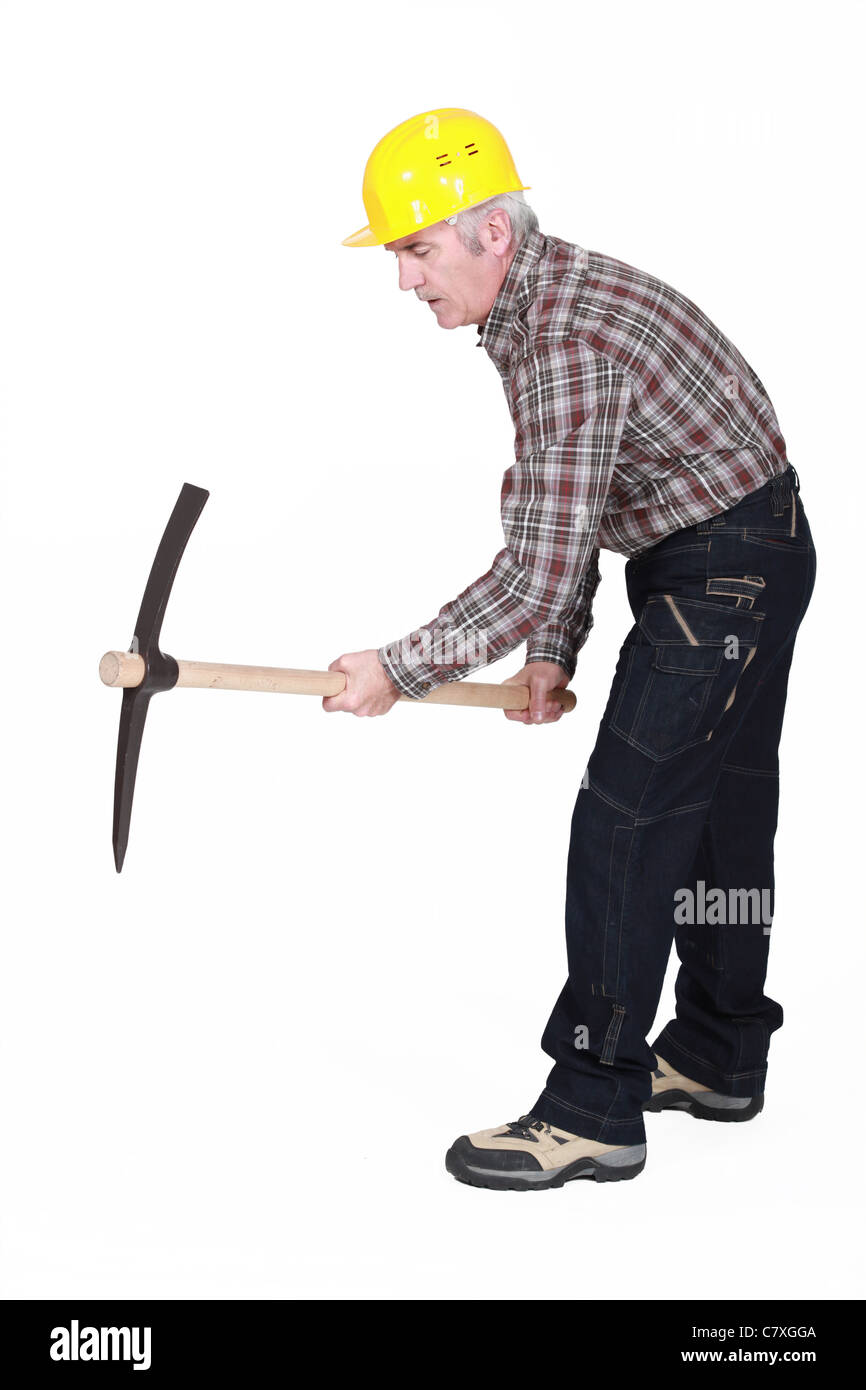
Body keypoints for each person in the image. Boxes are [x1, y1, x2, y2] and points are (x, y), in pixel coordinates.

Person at [327, 107, 816, 1191]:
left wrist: (398, 669)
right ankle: (718, 1050)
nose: (404, 280)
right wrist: (551, 648)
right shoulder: (544, 307)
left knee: (625, 826)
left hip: (721, 571)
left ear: (492, 232)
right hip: (753, 548)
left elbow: (535, 565)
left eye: (416, 249)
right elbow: (574, 504)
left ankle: (593, 1104)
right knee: (719, 819)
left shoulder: (560, 339)